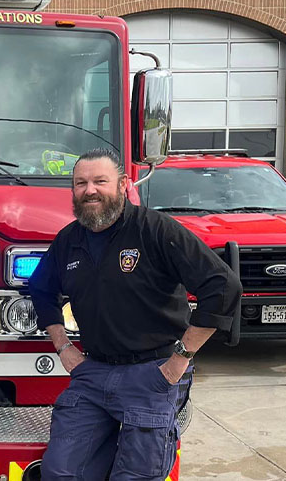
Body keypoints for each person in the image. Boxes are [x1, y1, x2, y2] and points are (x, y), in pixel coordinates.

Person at [29, 148, 242, 481]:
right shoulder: (68, 240)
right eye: (81, 183)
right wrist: (63, 346)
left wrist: (180, 359)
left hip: (153, 375)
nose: (90, 190)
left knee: (136, 476)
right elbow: (40, 290)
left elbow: (223, 286)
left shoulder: (156, 230)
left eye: (100, 181)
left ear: (124, 184)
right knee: (60, 473)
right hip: (92, 372)